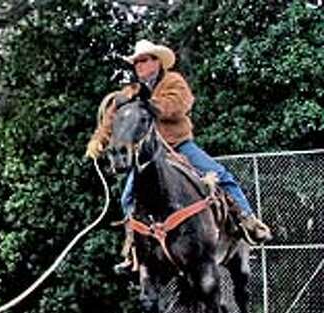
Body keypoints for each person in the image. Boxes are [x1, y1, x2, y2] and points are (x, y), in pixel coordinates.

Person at [85, 40, 272, 271]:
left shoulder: (173, 81)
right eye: (136, 62)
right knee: (127, 198)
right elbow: (112, 118)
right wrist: (98, 141)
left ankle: (248, 219)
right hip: (149, 155)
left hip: (179, 145)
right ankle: (134, 250)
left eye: (143, 60)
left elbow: (179, 104)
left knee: (221, 175)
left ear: (156, 61)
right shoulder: (129, 93)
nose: (139, 66)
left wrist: (149, 105)